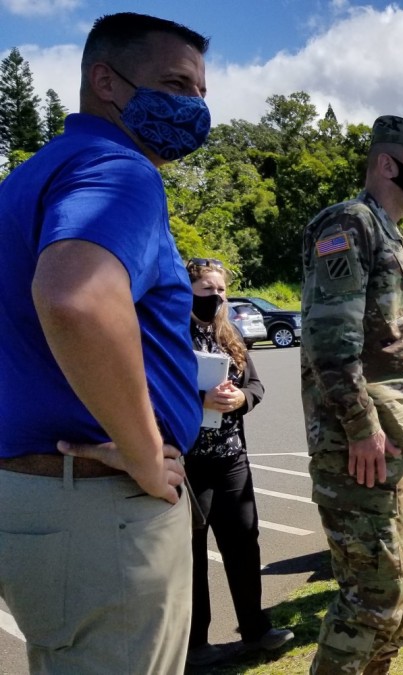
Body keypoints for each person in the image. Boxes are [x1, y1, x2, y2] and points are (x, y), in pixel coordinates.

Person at [0, 12, 208, 674]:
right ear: (105, 81)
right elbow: (76, 299)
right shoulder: (117, 170)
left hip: (38, 500)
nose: (194, 107)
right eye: (177, 83)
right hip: (99, 509)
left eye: (201, 92)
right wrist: (148, 456)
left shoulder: (29, 178)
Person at [301, 115, 403, 675]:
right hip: (361, 452)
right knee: (372, 600)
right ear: (387, 163)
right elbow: (329, 339)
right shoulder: (348, 224)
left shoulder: (391, 237)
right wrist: (362, 427)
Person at [184, 258, 295, 666]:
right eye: (207, 291)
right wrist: (201, 400)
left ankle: (256, 631)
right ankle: (196, 643)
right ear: (187, 291)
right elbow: (152, 391)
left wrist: (241, 399)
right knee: (192, 555)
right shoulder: (170, 336)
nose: (217, 298)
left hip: (231, 458)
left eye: (221, 291)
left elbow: (256, 384)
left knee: (243, 545)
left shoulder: (229, 334)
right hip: (189, 462)